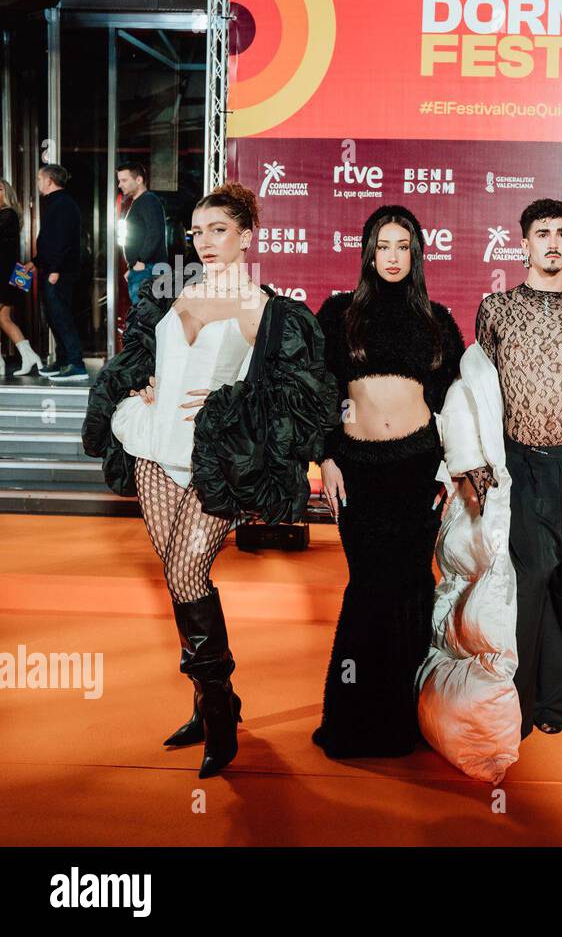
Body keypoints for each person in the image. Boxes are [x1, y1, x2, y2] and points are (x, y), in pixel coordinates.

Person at [81, 182, 336, 779]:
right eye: (197, 232)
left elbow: (292, 391)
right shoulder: (174, 297)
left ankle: (219, 715)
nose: (206, 242)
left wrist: (236, 400)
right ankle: (211, 701)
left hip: (214, 459)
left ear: (247, 235)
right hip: (154, 444)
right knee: (177, 574)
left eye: (218, 229)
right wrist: (145, 385)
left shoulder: (262, 308)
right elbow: (152, 359)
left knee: (187, 570)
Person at [414, 198, 562, 783]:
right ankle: (524, 700)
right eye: (543, 234)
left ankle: (561, 702)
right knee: (526, 582)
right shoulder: (496, 309)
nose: (554, 243)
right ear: (525, 244)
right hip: (522, 467)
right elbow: (474, 389)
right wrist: (473, 462)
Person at [311, 205, 465, 759]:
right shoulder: (339, 314)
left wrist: (450, 469)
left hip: (417, 469)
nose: (393, 257)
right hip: (359, 471)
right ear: (368, 253)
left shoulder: (436, 321)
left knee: (409, 589)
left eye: (403, 247)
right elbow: (320, 391)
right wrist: (326, 457)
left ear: (416, 254)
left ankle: (405, 719)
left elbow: (455, 403)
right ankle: (353, 721)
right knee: (368, 588)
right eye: (383, 246)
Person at [24, 165, 85, 383]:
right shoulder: (57, 203)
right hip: (52, 269)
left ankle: (76, 364)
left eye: (40, 179)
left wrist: (56, 269)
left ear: (50, 181)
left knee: (61, 317)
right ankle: (63, 361)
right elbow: (51, 242)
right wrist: (35, 263)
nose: (38, 183)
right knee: (53, 317)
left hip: (59, 272)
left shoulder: (63, 204)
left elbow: (63, 241)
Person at [0, 179, 42, 376]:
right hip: (9, 275)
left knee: (4, 318)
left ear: (5, 192)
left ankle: (24, 358)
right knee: (4, 319)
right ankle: (29, 356)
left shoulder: (7, 215)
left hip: (5, 276)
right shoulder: (7, 216)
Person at [116, 162, 168, 307]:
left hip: (147, 268)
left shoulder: (148, 200)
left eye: (124, 180)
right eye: (119, 180)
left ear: (138, 180)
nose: (120, 184)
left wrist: (140, 262)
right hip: (143, 268)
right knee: (143, 317)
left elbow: (155, 233)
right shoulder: (141, 201)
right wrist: (133, 267)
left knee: (144, 318)